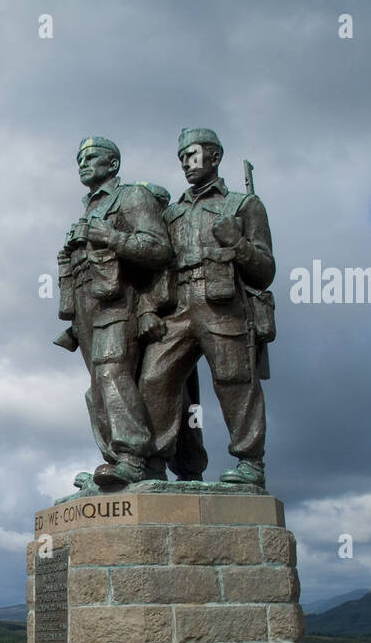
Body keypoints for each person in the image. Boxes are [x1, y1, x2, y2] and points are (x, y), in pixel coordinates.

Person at [138, 128, 275, 488]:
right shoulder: (170, 214)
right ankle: (153, 462)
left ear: (215, 157)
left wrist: (239, 244)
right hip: (178, 305)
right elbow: (157, 267)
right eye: (182, 157)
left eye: (193, 154)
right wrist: (149, 308)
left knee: (235, 382)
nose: (187, 162)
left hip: (223, 304)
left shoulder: (243, 206)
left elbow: (265, 272)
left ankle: (249, 464)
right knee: (155, 379)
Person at [56, 136, 171, 488]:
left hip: (120, 303)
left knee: (111, 374)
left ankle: (132, 458)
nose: (83, 164)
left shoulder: (132, 197)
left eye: (91, 157)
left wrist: (111, 237)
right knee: (97, 387)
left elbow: (157, 248)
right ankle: (114, 461)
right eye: (79, 159)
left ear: (113, 164)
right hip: (86, 307)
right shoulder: (87, 207)